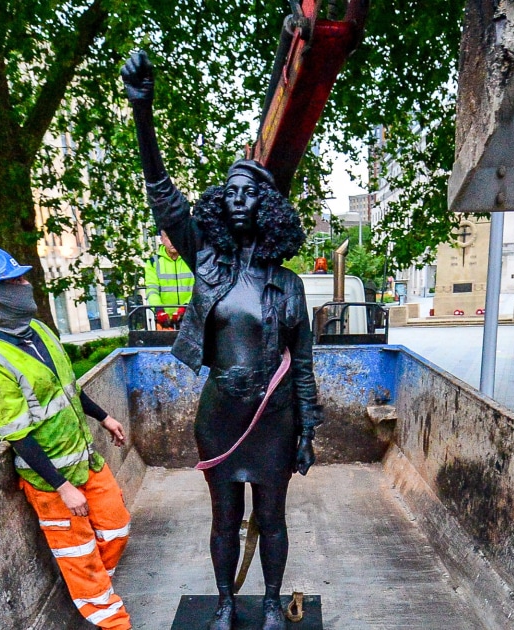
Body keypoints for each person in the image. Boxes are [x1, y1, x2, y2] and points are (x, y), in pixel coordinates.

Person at [122, 51, 321, 630]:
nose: (236, 197)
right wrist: (142, 115)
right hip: (221, 415)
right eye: (229, 190)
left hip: (275, 417)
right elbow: (162, 194)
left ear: (268, 210)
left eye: (249, 192)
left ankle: (269, 606)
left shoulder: (289, 286)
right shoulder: (206, 263)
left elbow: (303, 363)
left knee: (275, 519)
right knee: (223, 517)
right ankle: (228, 604)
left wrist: (309, 430)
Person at [0, 246, 133, 630]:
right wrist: (62, 487)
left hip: (86, 460)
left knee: (117, 527)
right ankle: (112, 620)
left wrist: (104, 417)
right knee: (80, 556)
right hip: (51, 481)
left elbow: (67, 388)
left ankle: (94, 591)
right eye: (16, 280)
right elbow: (18, 437)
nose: (26, 284)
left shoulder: (39, 331)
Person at [144, 230, 194, 329]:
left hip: (192, 317)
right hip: (165, 321)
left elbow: (199, 287)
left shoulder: (193, 259)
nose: (172, 240)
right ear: (162, 239)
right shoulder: (154, 262)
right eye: (168, 237)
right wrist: (159, 310)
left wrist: (186, 307)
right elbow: (152, 290)